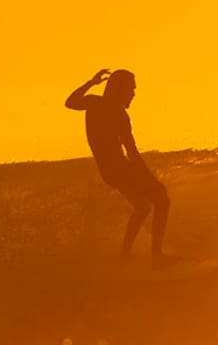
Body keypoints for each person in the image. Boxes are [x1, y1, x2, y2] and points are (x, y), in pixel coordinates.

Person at [65, 68, 179, 269]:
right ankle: (157, 258)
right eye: (130, 89)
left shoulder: (94, 103)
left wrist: (91, 83)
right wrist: (150, 178)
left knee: (143, 208)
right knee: (162, 199)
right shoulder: (119, 115)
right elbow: (132, 152)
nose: (133, 94)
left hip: (108, 172)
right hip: (120, 169)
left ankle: (125, 256)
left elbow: (70, 102)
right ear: (118, 90)